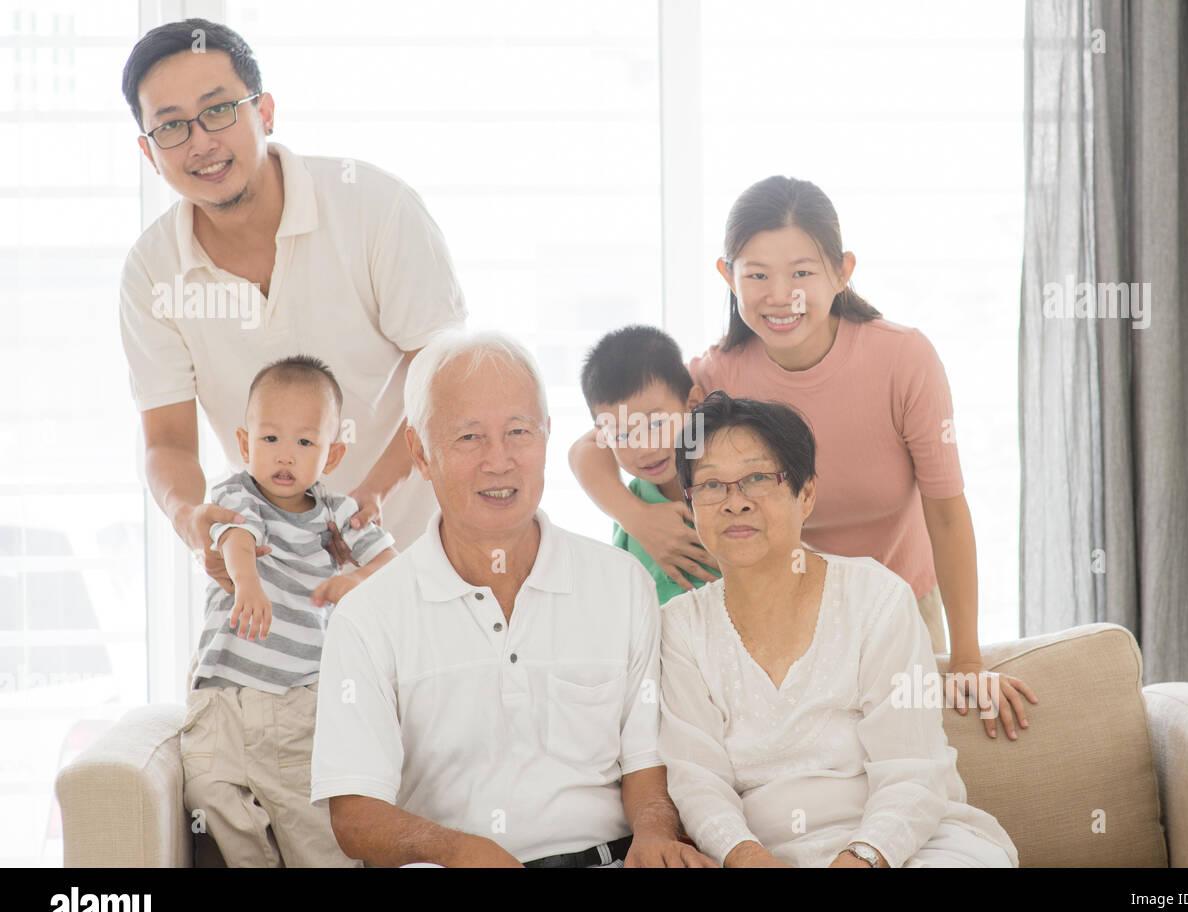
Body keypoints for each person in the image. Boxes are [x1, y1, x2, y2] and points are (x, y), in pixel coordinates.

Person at [570, 175, 1036, 738]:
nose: (780, 294)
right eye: (757, 275)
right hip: (782, 622)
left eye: (802, 273)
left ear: (842, 272)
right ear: (728, 276)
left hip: (900, 610)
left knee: (907, 764)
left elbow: (945, 512)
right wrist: (637, 517)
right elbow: (593, 445)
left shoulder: (904, 359)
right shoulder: (719, 376)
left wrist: (967, 658)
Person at [310, 329, 716, 868]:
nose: (499, 461)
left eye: (519, 432)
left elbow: (647, 766)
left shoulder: (621, 584)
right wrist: (457, 850)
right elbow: (356, 815)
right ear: (421, 453)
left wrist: (656, 834)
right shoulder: (369, 616)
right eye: (469, 438)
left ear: (547, 435)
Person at [118, 17, 467, 607]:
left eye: (219, 110)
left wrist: (371, 497)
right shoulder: (151, 271)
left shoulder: (375, 207)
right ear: (150, 153)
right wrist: (193, 519)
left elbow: (446, 374)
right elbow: (168, 442)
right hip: (283, 575)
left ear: (266, 112)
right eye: (171, 127)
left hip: (428, 549)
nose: (200, 142)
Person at [657, 391, 1018, 868]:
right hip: (765, 857)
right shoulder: (680, 627)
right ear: (691, 503)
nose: (734, 503)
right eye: (711, 486)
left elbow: (913, 771)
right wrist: (747, 857)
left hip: (909, 845)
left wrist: (862, 857)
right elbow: (697, 779)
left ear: (805, 494)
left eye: (758, 478)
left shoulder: (876, 597)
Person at [181, 355, 398, 867]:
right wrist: (248, 582)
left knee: (313, 825)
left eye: (305, 442)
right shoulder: (236, 492)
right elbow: (236, 536)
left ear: (332, 454)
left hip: (301, 699)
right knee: (209, 794)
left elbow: (392, 565)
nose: (285, 455)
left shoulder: (337, 513)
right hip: (222, 694)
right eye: (270, 438)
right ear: (245, 443)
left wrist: (355, 580)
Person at [579, 325, 719, 604]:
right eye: (621, 434)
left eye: (656, 424)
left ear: (692, 404)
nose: (644, 448)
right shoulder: (629, 512)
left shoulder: (731, 488)